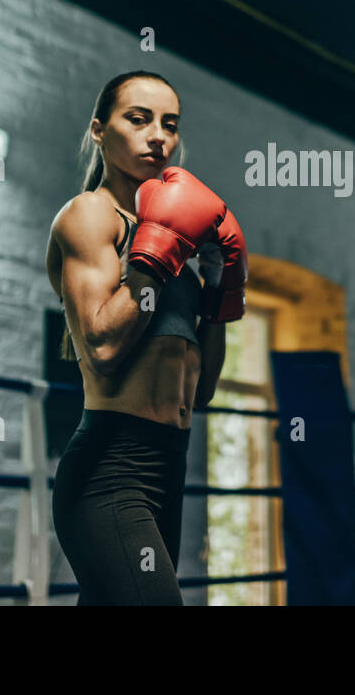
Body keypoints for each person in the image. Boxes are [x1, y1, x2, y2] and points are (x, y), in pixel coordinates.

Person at [46, 70, 247, 605]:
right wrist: (157, 255)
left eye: (169, 124)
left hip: (168, 466)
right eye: (137, 119)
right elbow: (103, 347)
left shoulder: (177, 240)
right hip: (110, 472)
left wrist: (220, 295)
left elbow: (200, 391)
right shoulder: (90, 216)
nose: (158, 135)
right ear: (99, 130)